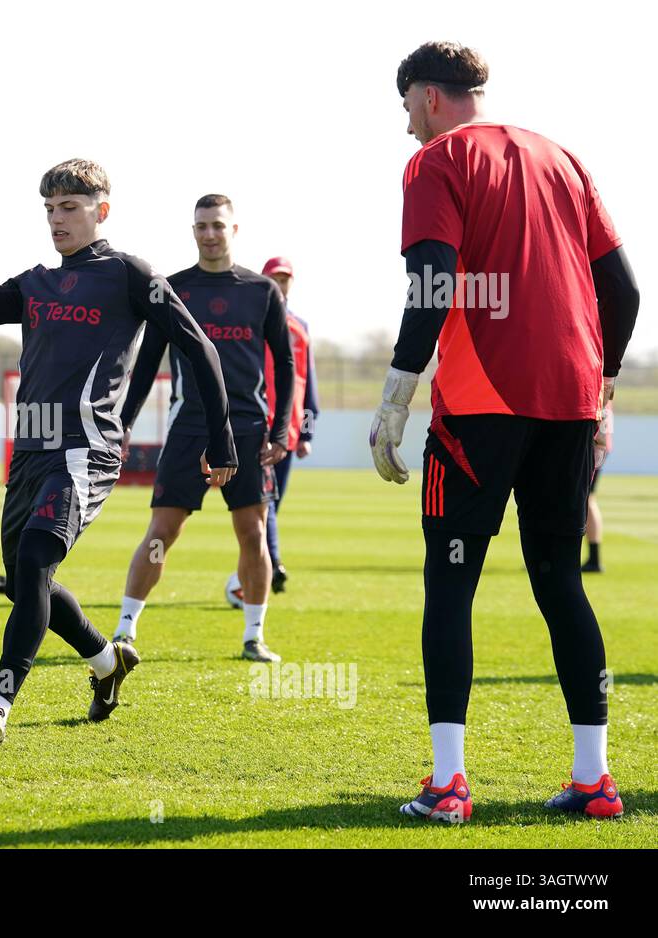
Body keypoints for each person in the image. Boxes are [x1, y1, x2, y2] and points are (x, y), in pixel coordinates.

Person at [0, 159, 237, 746]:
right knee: (24, 585)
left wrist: (221, 439)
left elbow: (201, 348)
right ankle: (105, 661)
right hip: (31, 454)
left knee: (39, 562)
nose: (57, 219)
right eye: (49, 208)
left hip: (86, 449)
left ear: (103, 210)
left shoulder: (128, 273)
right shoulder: (36, 281)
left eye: (69, 207)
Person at [373, 42, 640, 822]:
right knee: (561, 583)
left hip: (481, 406)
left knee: (451, 582)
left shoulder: (436, 163)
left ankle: (449, 784)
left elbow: (432, 281)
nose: (408, 128)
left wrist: (397, 390)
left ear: (426, 98)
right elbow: (622, 289)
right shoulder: (563, 158)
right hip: (567, 402)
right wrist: (603, 378)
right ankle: (594, 780)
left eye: (406, 111)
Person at [114, 196, 294, 662]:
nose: (209, 234)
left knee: (253, 533)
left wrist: (279, 432)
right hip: (190, 426)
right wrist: (125, 423)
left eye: (217, 225)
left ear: (235, 229)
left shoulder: (261, 291)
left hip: (248, 429)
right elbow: (148, 359)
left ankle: (254, 636)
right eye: (201, 226)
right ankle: (126, 630)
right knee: (161, 532)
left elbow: (286, 364)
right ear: (192, 230)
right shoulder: (172, 290)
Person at [261, 256, 320, 592]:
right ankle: (272, 562)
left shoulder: (301, 325)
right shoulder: (252, 319)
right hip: (257, 422)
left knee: (272, 501)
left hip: (289, 426)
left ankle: (261, 565)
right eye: (274, 277)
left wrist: (307, 431)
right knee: (264, 500)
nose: (280, 284)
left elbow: (307, 380)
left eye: (285, 279)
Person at [581, 399, 612, 573]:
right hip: (598, 443)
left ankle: (594, 559)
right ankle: (593, 558)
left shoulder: (598, 386)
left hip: (593, 445)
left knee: (586, 499)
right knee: (587, 498)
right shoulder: (605, 385)